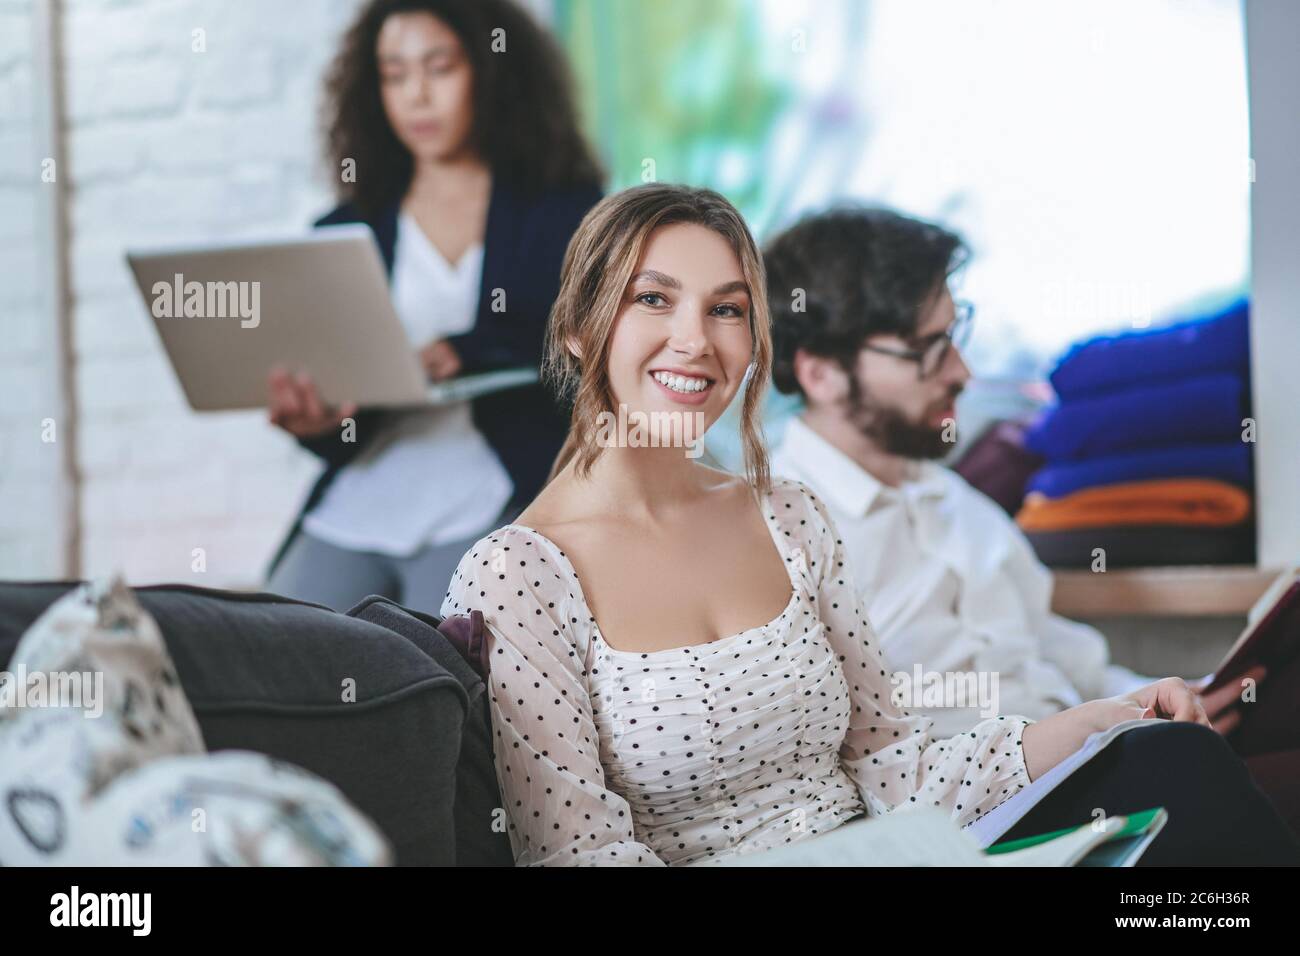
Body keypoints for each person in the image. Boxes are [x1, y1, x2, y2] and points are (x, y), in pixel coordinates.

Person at [439, 183, 1299, 866]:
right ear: (581, 331)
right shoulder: (517, 574)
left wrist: (1103, 717)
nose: (695, 340)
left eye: (729, 308)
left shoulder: (786, 515)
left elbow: (896, 768)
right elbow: (580, 857)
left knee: (1175, 764)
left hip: (898, 850)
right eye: (653, 300)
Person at [763, 205, 1298, 832]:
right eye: (927, 351)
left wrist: (1180, 693)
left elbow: (1071, 661)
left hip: (1091, 759)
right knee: (1195, 782)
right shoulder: (777, 533)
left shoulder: (960, 505)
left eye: (955, 335)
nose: (961, 372)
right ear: (821, 373)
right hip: (976, 812)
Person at [265, 0, 603, 614]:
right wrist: (318, 424)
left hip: (490, 489)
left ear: (489, 70)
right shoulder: (346, 228)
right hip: (365, 495)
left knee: (441, 674)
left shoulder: (561, 209)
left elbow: (587, 343)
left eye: (439, 68)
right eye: (394, 75)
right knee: (277, 652)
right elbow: (348, 417)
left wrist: (467, 352)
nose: (416, 95)